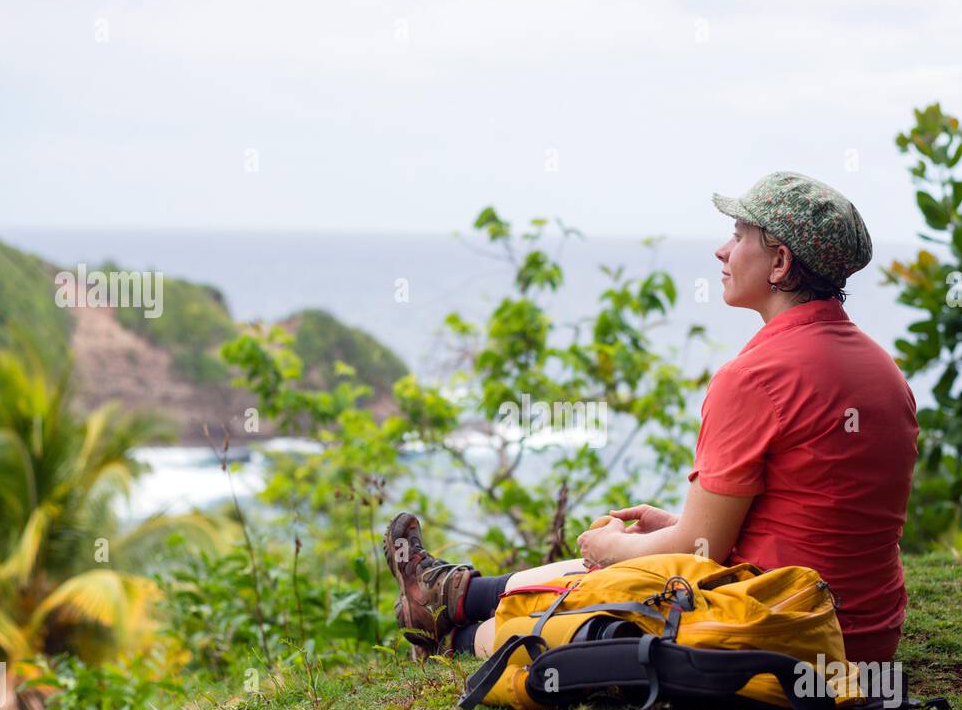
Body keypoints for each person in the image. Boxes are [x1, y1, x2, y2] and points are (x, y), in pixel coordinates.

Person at [383, 171, 918, 667]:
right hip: (867, 632)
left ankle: (455, 639)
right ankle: (446, 593)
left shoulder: (755, 376)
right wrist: (679, 526)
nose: (722, 249)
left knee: (614, 588)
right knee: (636, 567)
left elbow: (693, 552)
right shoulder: (883, 370)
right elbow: (817, 517)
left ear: (779, 264)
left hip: (782, 628)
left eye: (739, 235)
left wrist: (612, 548)